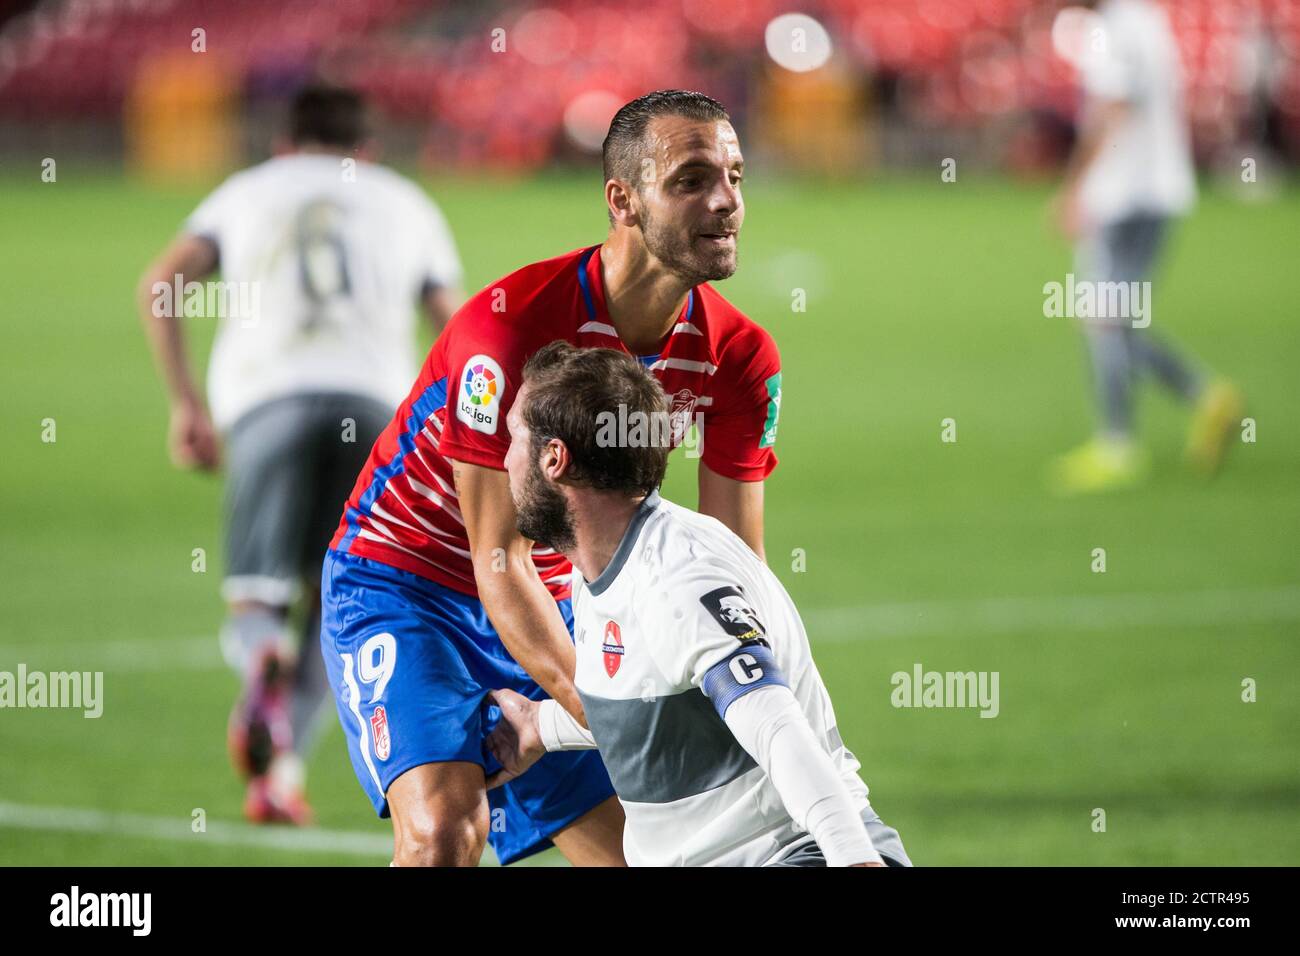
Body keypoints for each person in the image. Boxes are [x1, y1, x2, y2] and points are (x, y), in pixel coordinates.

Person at [320, 90, 784, 865]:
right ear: (622, 200)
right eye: (692, 179)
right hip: (408, 585)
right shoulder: (507, 331)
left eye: (735, 176)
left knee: (650, 857)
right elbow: (497, 557)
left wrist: (757, 701)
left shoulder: (740, 358)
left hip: (564, 600)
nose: (726, 201)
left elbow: (735, 565)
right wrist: (605, 715)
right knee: (442, 835)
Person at [137, 84, 463, 823]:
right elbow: (455, 323)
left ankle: (261, 656)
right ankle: (280, 778)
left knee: (257, 597)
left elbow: (160, 284)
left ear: (283, 144)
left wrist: (186, 403)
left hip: (266, 404)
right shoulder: (404, 199)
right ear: (368, 149)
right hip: (375, 413)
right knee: (336, 601)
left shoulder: (248, 189)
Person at [485, 341, 910, 866]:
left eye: (514, 438)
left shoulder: (678, 580)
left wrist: (853, 857)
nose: (504, 460)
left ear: (554, 459)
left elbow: (776, 727)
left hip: (796, 852)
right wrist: (540, 726)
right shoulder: (602, 567)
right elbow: (654, 699)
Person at [1050, 0, 1243, 494]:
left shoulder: (1114, 29)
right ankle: (1206, 397)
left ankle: (1118, 445)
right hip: (1160, 189)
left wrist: (1075, 186)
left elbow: (1113, 108)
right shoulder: (1146, 19)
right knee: (1114, 318)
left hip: (1124, 196)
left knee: (1103, 318)